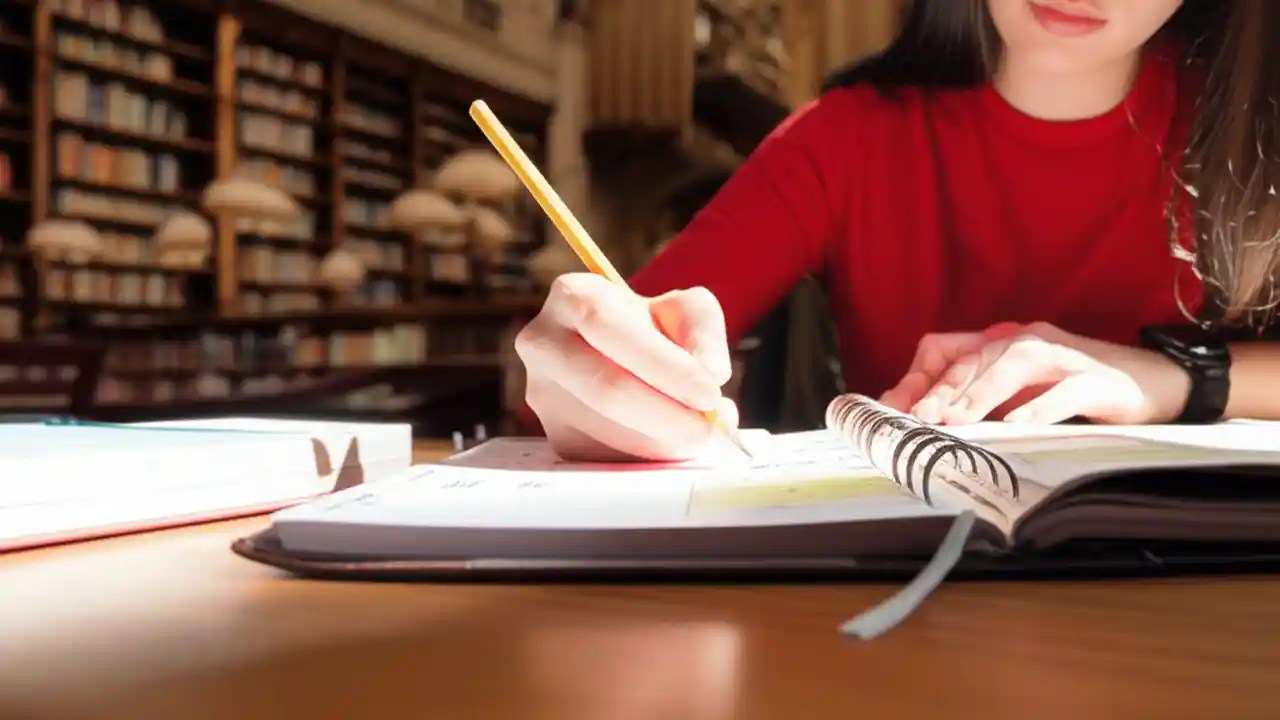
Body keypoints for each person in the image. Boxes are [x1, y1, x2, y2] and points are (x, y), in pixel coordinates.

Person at [515, 0, 1280, 462]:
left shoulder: (1255, 133)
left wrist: (1171, 379)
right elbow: (608, 356)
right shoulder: (843, 141)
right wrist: (587, 379)